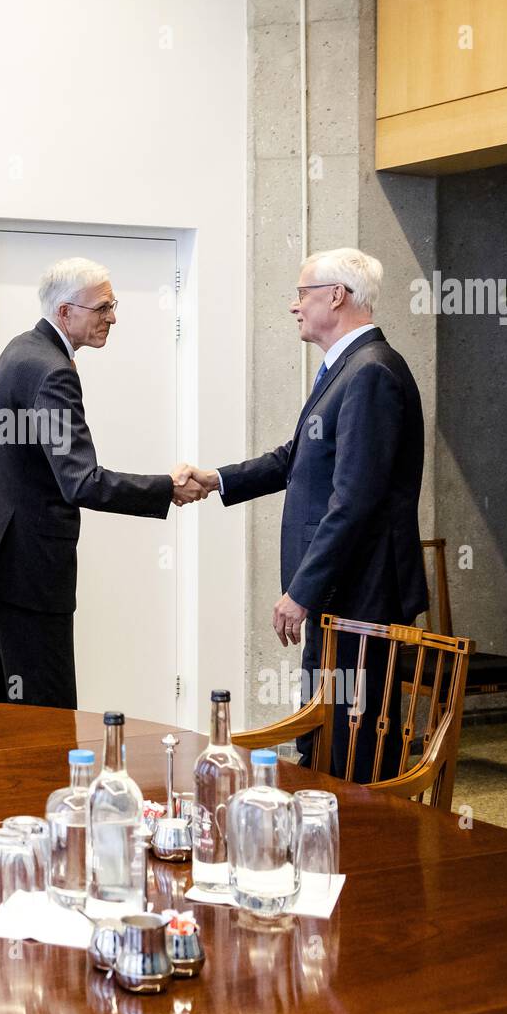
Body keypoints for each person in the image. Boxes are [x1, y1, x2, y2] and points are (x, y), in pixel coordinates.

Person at [177, 247, 427, 780]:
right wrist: (217, 479)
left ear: (337, 295)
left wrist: (302, 591)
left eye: (302, 293)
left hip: (361, 594)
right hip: (340, 593)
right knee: (324, 732)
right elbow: (296, 458)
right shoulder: (347, 369)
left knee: (352, 744)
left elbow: (355, 500)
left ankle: (362, 851)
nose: (294, 306)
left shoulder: (371, 373)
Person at [0, 257, 201, 710]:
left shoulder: (19, 350)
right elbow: (82, 482)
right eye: (103, 307)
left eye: (113, 305)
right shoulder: (53, 371)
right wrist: (166, 486)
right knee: (47, 708)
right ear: (66, 312)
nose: (113, 317)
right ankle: (49, 784)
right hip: (30, 566)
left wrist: (14, 494)